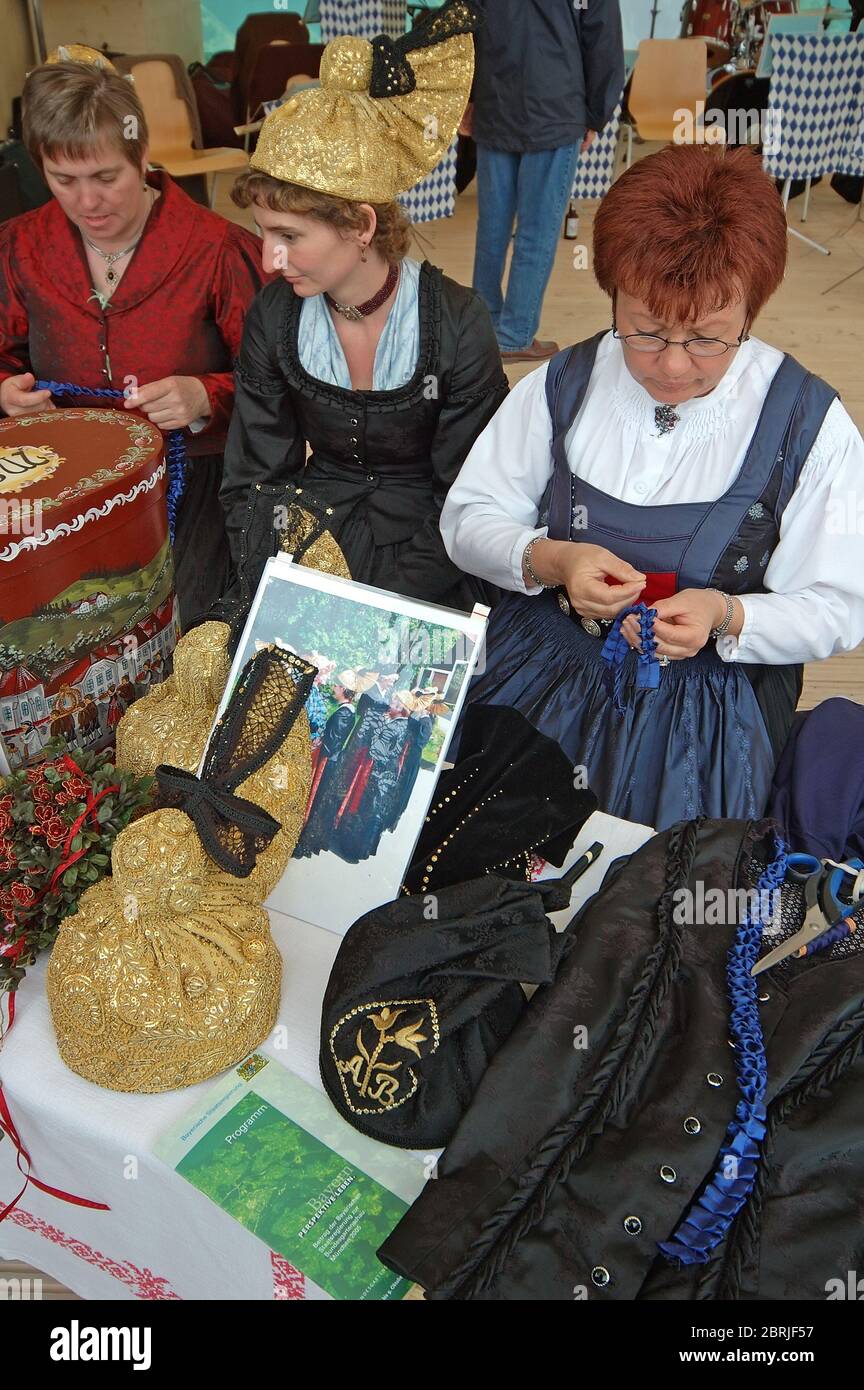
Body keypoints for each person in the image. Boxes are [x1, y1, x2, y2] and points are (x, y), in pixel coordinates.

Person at [440, 144, 864, 831]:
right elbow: (468, 518)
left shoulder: (807, 423)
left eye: (707, 339)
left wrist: (725, 614)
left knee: (652, 892)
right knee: (483, 838)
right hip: (543, 663)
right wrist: (555, 560)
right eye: (643, 330)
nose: (670, 366)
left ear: (750, 314)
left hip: (705, 708)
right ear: (613, 293)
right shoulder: (565, 384)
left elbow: (839, 604)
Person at [217, 1, 508, 617]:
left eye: (290, 236)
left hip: (432, 553)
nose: (270, 258)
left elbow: (471, 495)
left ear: (360, 225)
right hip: (307, 537)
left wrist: (378, 605)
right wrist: (281, 582)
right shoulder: (276, 316)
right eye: (263, 232)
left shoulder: (456, 322)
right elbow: (253, 479)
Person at [0, 49, 269, 628]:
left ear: (142, 155)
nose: (88, 202)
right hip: (60, 487)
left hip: (192, 481)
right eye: (63, 180)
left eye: (106, 177)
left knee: (183, 625)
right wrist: (6, 391)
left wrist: (207, 395)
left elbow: (279, 377)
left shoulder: (216, 250)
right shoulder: (20, 248)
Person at [464, 0, 623, 363]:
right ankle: (515, 335)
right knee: (537, 232)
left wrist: (470, 99)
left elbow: (466, 29)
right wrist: (596, 114)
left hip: (496, 104)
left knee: (492, 226)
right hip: (555, 108)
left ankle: (481, 325)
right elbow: (603, 40)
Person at [294, 670, 358, 858]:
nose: (334, 687)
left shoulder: (345, 713)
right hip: (329, 759)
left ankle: (304, 840)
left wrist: (318, 739)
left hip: (328, 761)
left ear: (344, 690)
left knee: (316, 797)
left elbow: (333, 743)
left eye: (338, 685)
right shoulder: (344, 710)